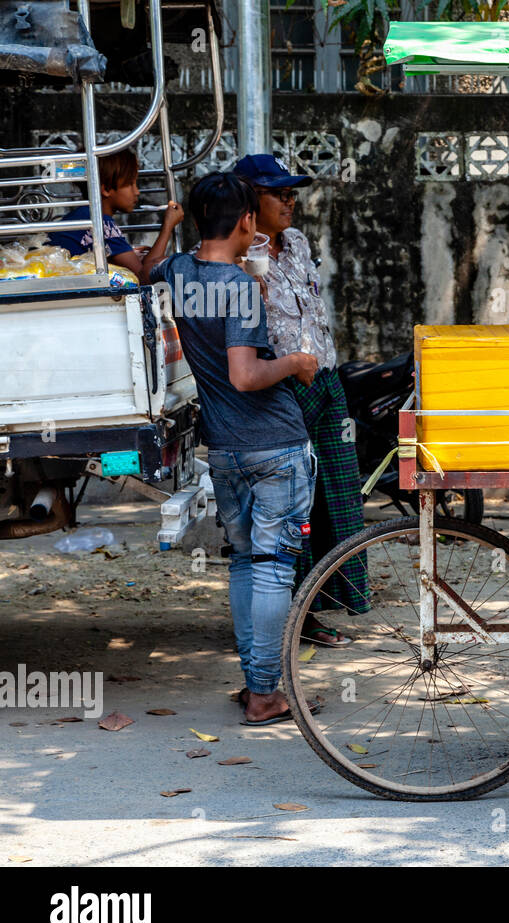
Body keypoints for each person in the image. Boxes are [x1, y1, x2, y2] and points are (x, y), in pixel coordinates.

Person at [150, 172, 319, 726]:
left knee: (247, 562)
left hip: (223, 449)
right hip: (273, 443)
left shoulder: (175, 272)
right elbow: (246, 376)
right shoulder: (241, 286)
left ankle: (256, 683)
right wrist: (295, 363)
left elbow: (149, 270)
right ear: (248, 221)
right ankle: (267, 694)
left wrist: (167, 228)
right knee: (273, 568)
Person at [231, 153, 369, 645]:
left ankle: (325, 603)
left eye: (292, 194)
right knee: (296, 506)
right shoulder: (240, 253)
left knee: (339, 496)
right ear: (250, 200)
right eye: (279, 194)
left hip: (324, 377)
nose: (290, 203)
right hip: (283, 389)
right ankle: (292, 619)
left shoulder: (297, 243)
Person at [47, 149, 183, 284]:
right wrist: (168, 226)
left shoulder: (87, 215)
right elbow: (144, 276)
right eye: (130, 184)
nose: (137, 191)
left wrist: (129, 252)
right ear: (106, 189)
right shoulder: (100, 222)